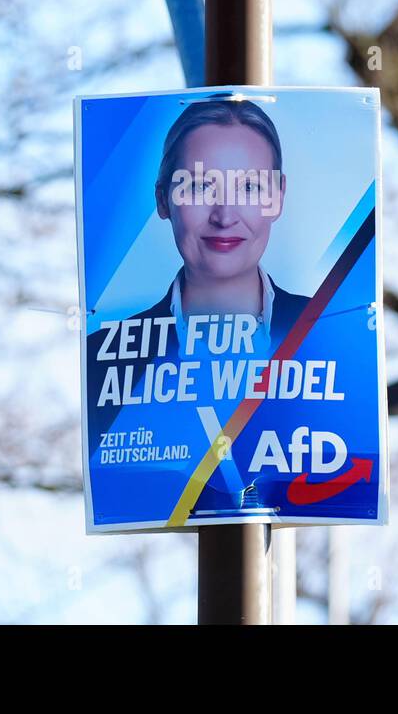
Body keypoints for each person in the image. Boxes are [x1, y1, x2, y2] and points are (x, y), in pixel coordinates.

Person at [84, 97, 312, 512]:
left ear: (278, 197)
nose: (225, 215)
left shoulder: (330, 335)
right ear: (163, 200)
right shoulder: (102, 360)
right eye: (200, 186)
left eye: (249, 187)